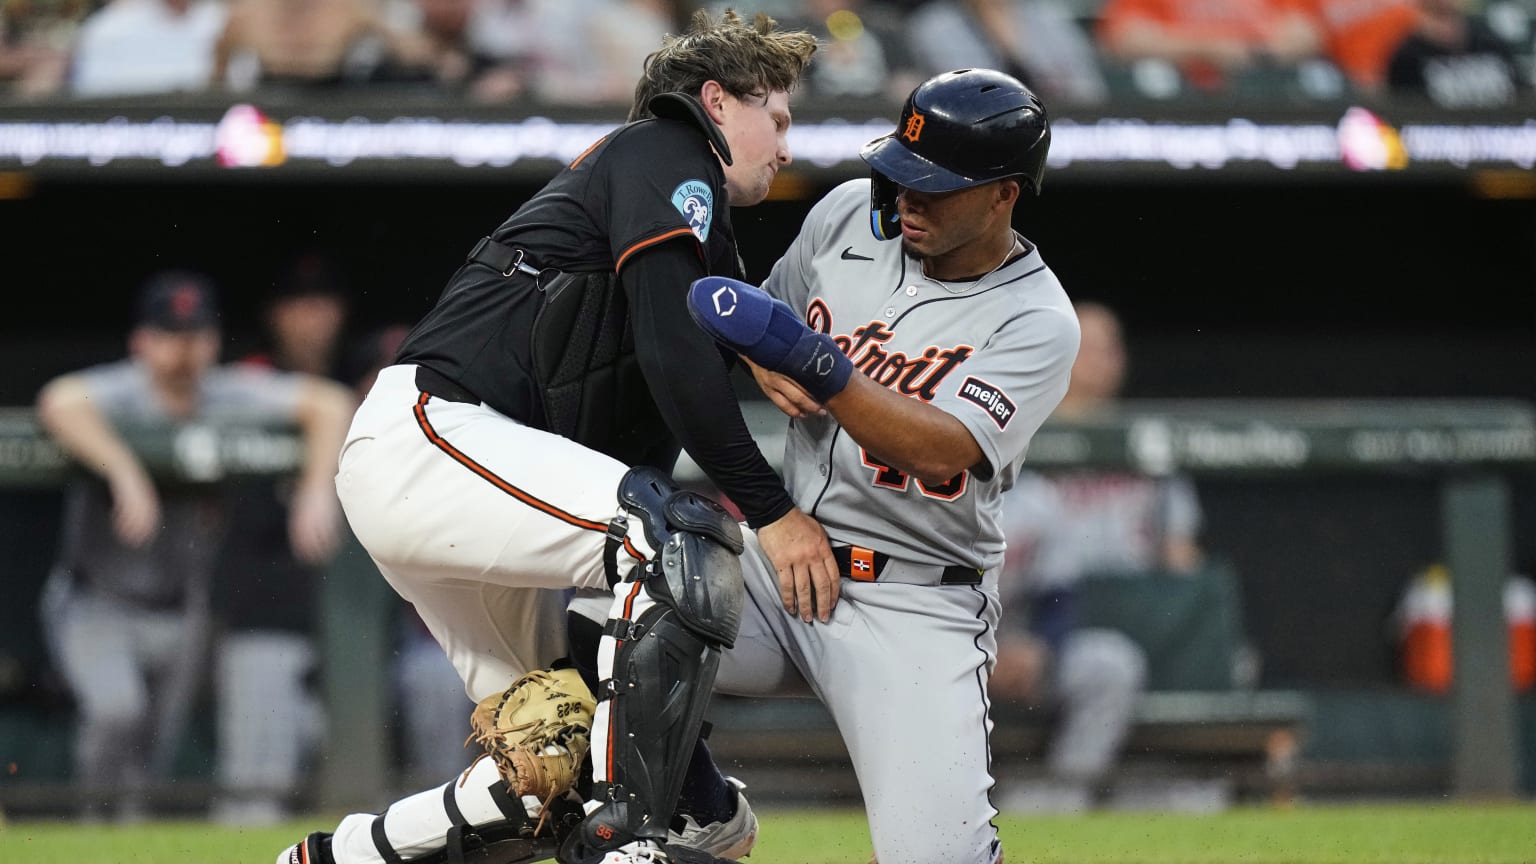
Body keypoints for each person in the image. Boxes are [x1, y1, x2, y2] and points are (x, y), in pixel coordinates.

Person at [275, 10, 821, 864]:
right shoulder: (663, 148)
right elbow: (678, 369)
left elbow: (660, 408)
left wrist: (707, 798)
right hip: (431, 433)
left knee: (549, 764)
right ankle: (624, 840)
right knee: (672, 535)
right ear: (716, 101)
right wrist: (775, 513)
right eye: (778, 119)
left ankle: (341, 857)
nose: (786, 147)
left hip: (462, 472)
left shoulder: (693, 247)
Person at [684, 67, 1079, 863]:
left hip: (914, 603)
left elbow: (940, 447)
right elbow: (761, 321)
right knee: (632, 596)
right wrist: (764, 355)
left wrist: (817, 362)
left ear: (1005, 194)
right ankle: (696, 810)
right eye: (900, 172)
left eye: (936, 186)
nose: (908, 197)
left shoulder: (1038, 319)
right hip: (785, 567)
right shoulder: (843, 218)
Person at [35, 269, 354, 823]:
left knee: (154, 750)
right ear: (142, 341)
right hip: (98, 599)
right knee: (116, 708)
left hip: (183, 606)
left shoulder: (224, 392)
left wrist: (314, 488)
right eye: (169, 334)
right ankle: (91, 826)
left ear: (212, 340)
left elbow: (329, 404)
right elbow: (57, 401)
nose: (184, 349)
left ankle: (124, 839)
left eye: (195, 334)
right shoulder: (122, 390)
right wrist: (124, 469)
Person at [990, 300, 1203, 812]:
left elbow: (1180, 562)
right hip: (972, 630)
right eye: (1088, 345)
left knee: (1112, 664)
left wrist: (1041, 645)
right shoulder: (1006, 435)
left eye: (1111, 346)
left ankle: (1059, 802)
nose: (1100, 359)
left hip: (1052, 636)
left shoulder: (1148, 448)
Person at [211, 253, 355, 825]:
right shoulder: (245, 383)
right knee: (256, 793)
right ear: (275, 315)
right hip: (263, 607)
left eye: (321, 304)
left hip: (358, 623)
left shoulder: (362, 376)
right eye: (297, 305)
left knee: (359, 789)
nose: (311, 319)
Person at [905, 0, 1110, 106]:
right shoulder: (934, 27)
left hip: (1061, 136)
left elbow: (1091, 95)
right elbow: (972, 102)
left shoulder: (1050, 19)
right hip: (980, 146)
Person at [1386, 0, 1527, 108]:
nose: (1446, 27)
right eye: (1437, 16)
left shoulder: (1490, 44)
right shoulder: (1407, 57)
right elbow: (1400, 107)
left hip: (1501, 135)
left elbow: (1523, 94)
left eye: (1451, 16)